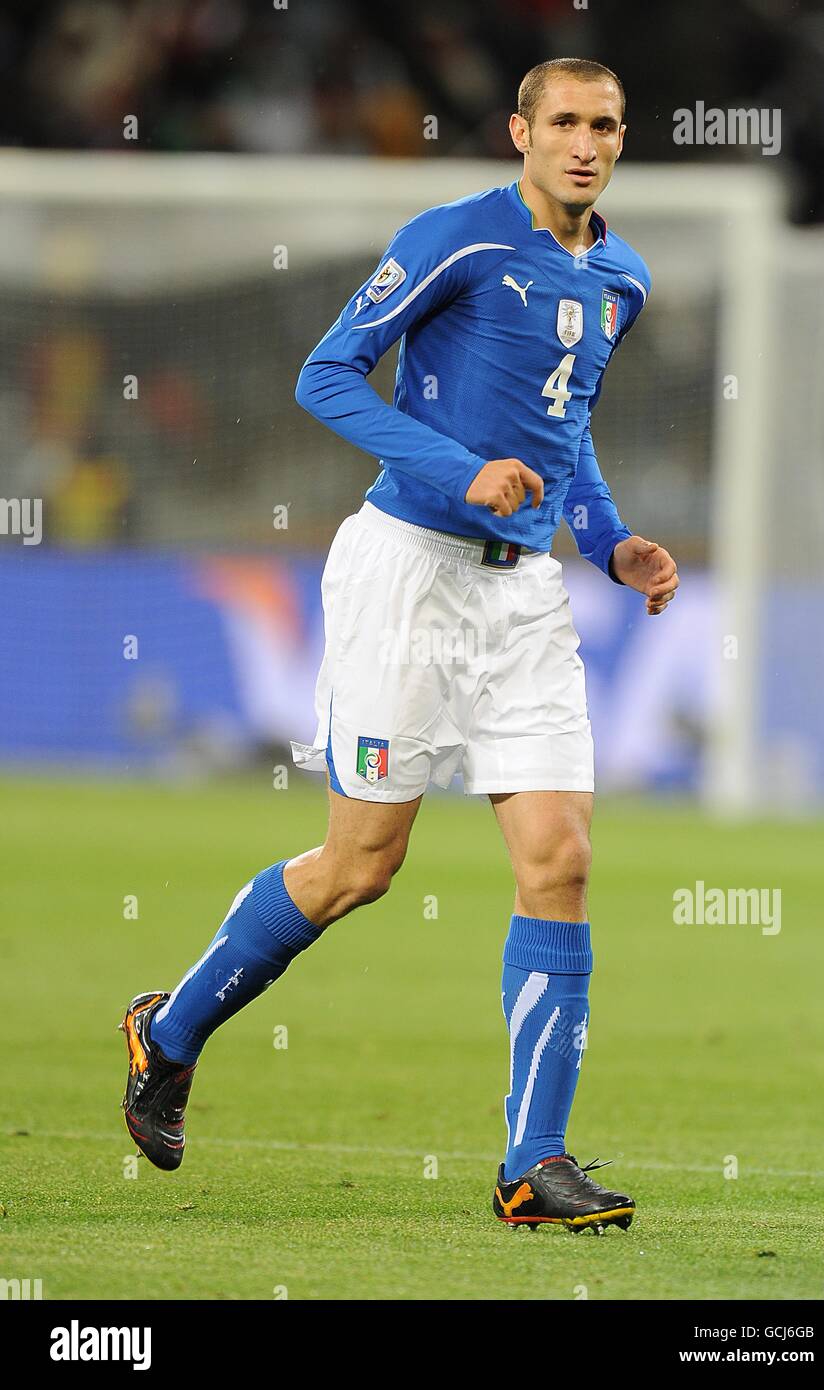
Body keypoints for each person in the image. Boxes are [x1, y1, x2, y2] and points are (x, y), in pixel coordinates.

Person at [120, 57, 679, 1233]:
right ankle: (165, 1032)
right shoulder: (455, 237)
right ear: (521, 130)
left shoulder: (622, 275)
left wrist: (612, 541)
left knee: (561, 860)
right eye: (564, 122)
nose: (585, 143)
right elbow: (326, 376)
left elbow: (563, 430)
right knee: (361, 867)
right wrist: (460, 471)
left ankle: (534, 1164)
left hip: (526, 596)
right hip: (406, 577)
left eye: (606, 126)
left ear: (624, 141)